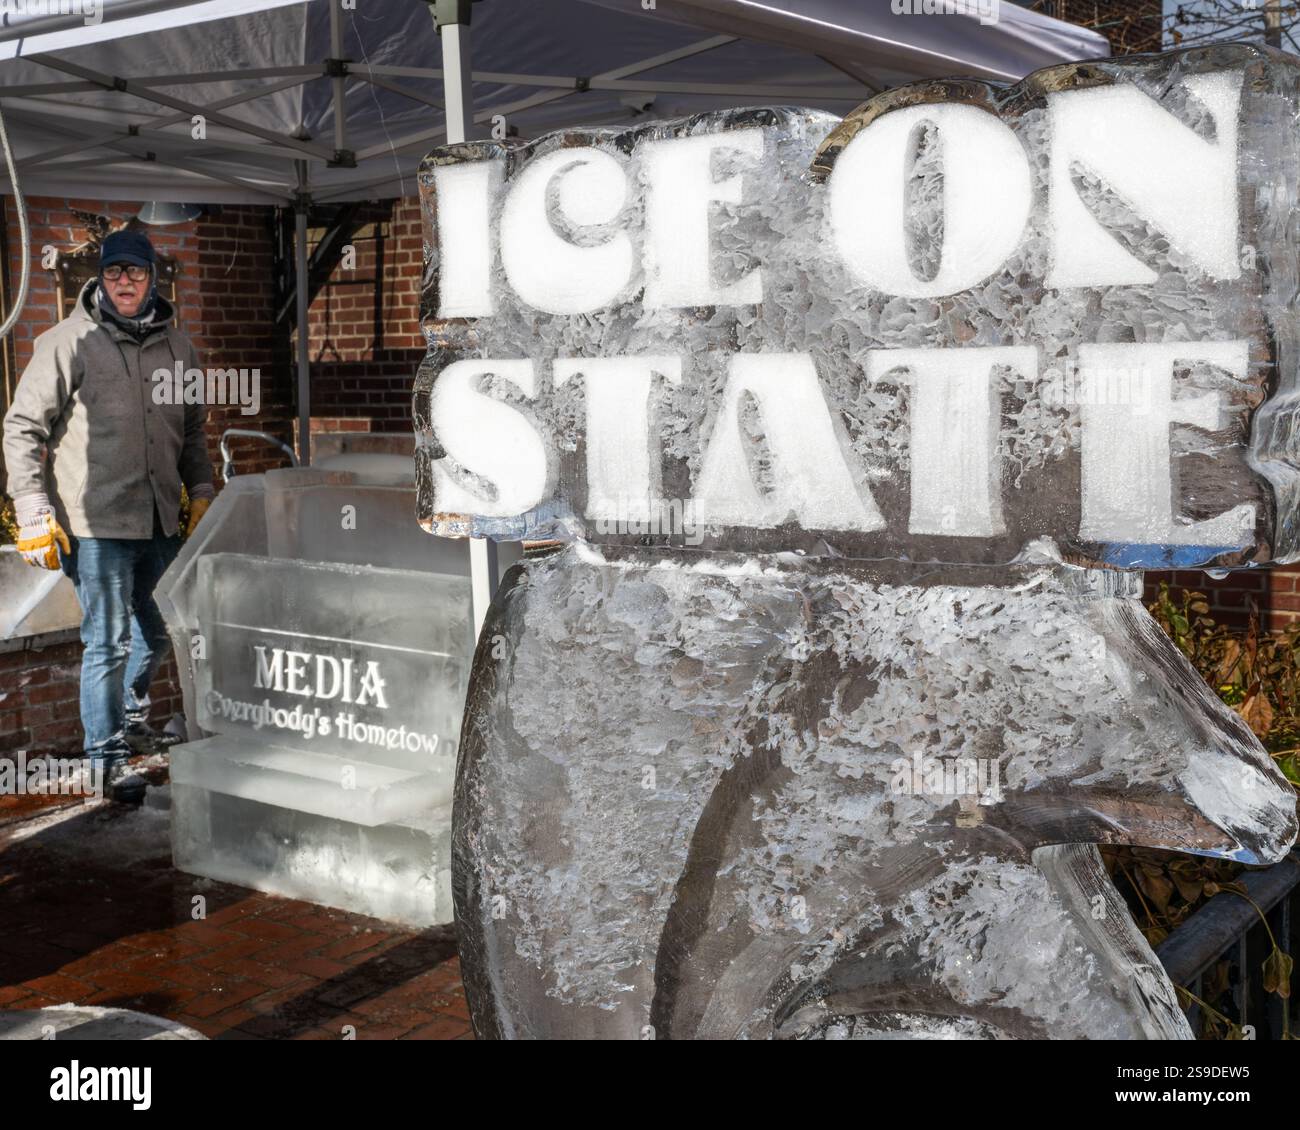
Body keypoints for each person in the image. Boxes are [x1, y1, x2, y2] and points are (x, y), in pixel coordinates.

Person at [2, 229, 214, 801]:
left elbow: (193, 431)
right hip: (95, 525)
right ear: (101, 277)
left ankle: (126, 717)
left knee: (162, 628)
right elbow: (23, 428)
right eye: (115, 270)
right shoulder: (67, 342)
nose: (125, 280)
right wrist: (31, 509)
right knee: (109, 639)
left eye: (136, 271)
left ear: (152, 278)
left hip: (161, 519)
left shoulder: (179, 348)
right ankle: (108, 761)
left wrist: (202, 490)